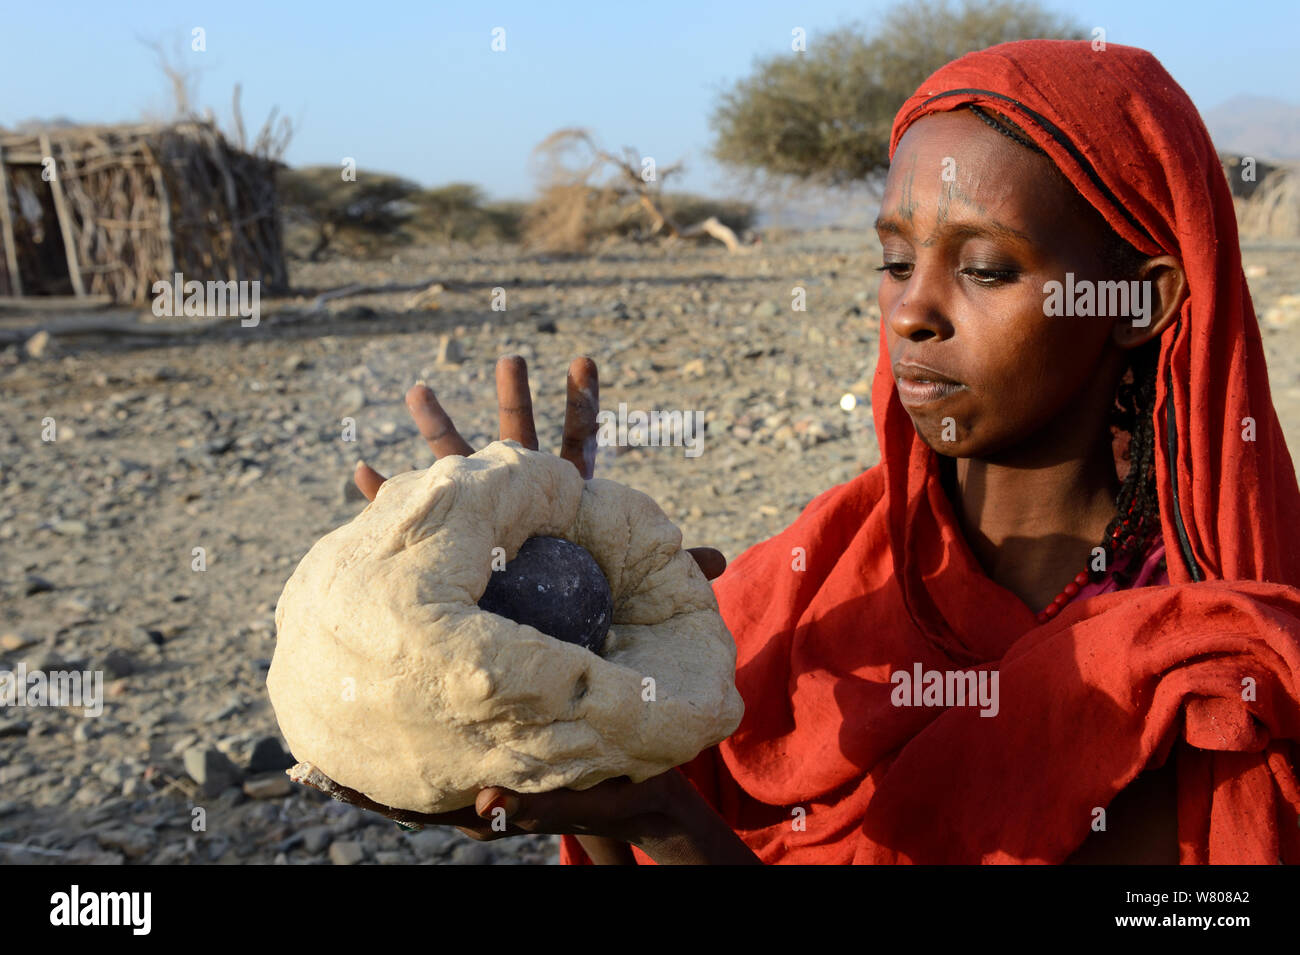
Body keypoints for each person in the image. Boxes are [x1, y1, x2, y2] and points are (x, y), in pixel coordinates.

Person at [349, 40, 1300, 864]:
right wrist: (566, 662)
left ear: (1139, 300)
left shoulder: (1206, 677)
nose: (913, 311)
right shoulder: (812, 587)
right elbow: (611, 821)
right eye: (896, 260)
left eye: (985, 268)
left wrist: (670, 823)